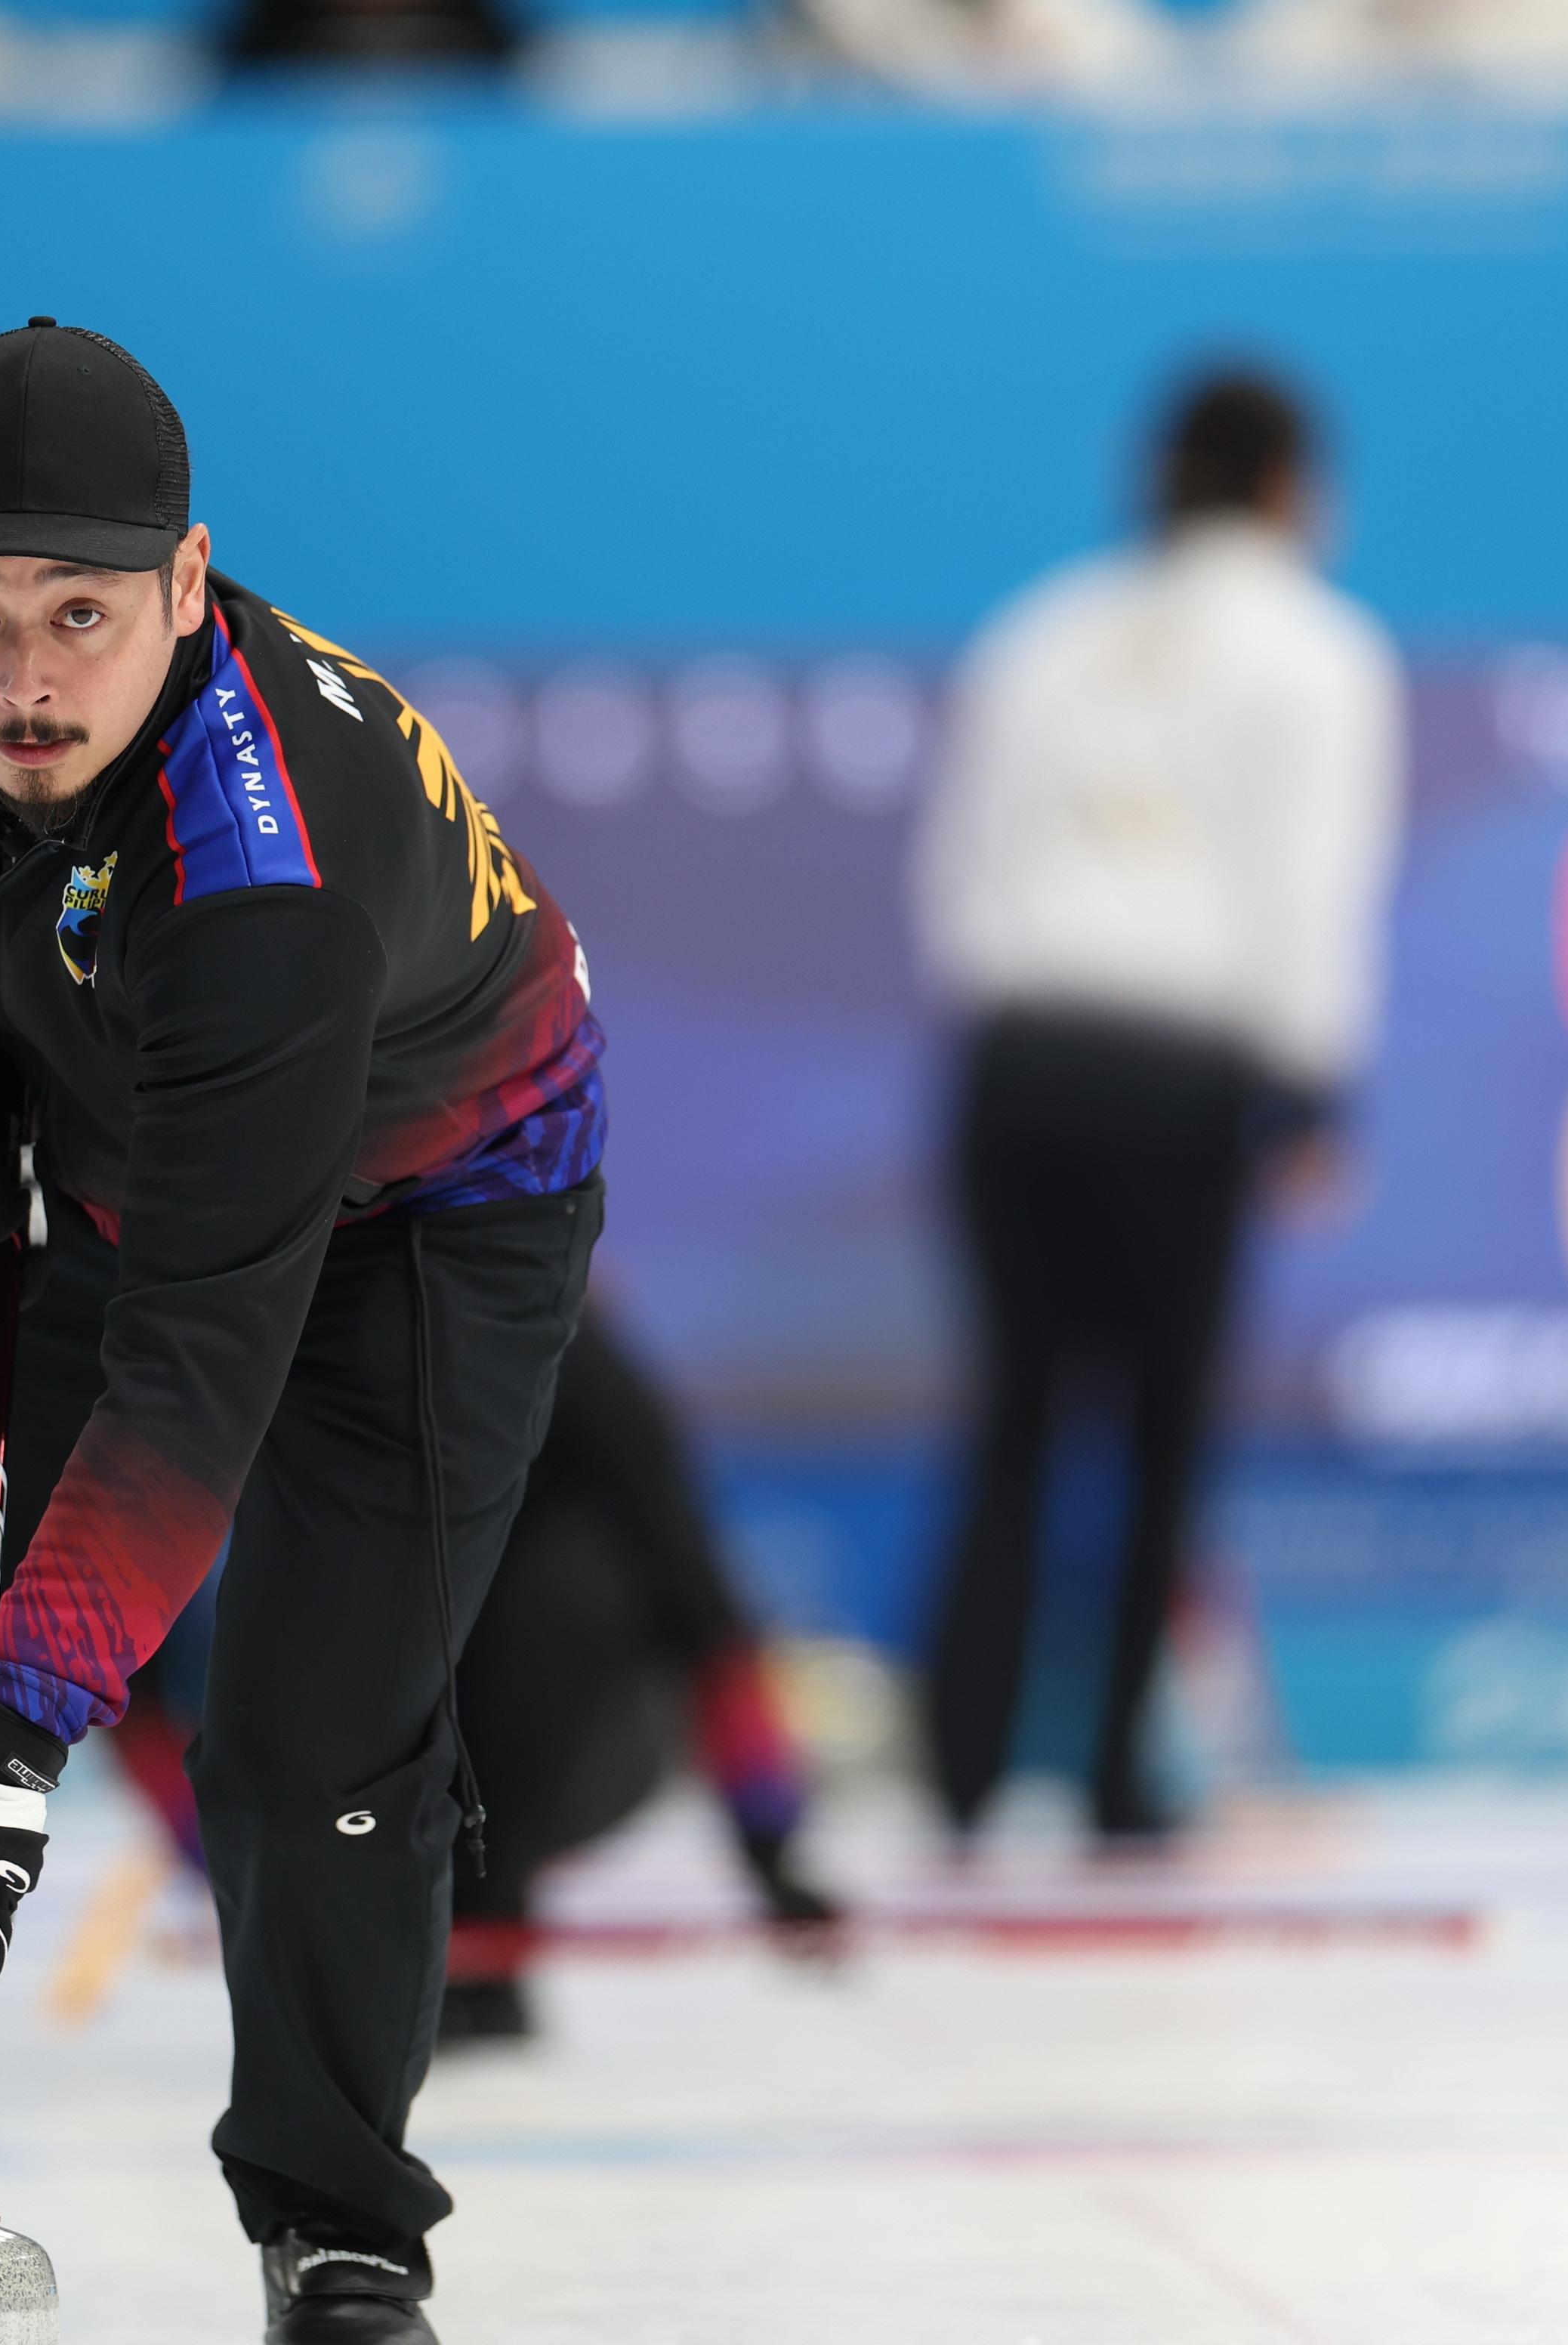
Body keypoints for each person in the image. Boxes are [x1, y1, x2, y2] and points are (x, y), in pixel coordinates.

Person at [0, 320, 605, 2345]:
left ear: (190, 587)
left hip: (431, 1203)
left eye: (86, 618)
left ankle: (342, 2216)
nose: (23, 682)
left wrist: (25, 1736)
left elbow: (197, 1370)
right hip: (104, 1134)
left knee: (321, 1735)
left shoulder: (266, 864)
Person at [909, 366, 1402, 1848]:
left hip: (1017, 1054)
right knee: (1163, 1430)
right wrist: (1313, 1088)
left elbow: (957, 869)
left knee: (1012, 1412)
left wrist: (1007, 1020)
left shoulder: (1042, 630)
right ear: (1286, 486)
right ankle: (1122, 1775)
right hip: (1181, 1072)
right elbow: (1311, 879)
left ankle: (964, 1769)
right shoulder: (1318, 654)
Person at [97, 1304, 841, 2049]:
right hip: (369, 1736)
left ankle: (466, 1908)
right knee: (328, 1576)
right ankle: (379, 1916)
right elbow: (132, 1659)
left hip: (571, 1736)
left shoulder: (570, 1355)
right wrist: (222, 1853)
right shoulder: (273, 1350)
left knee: (557, 1589)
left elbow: (701, 1608)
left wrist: (768, 1841)